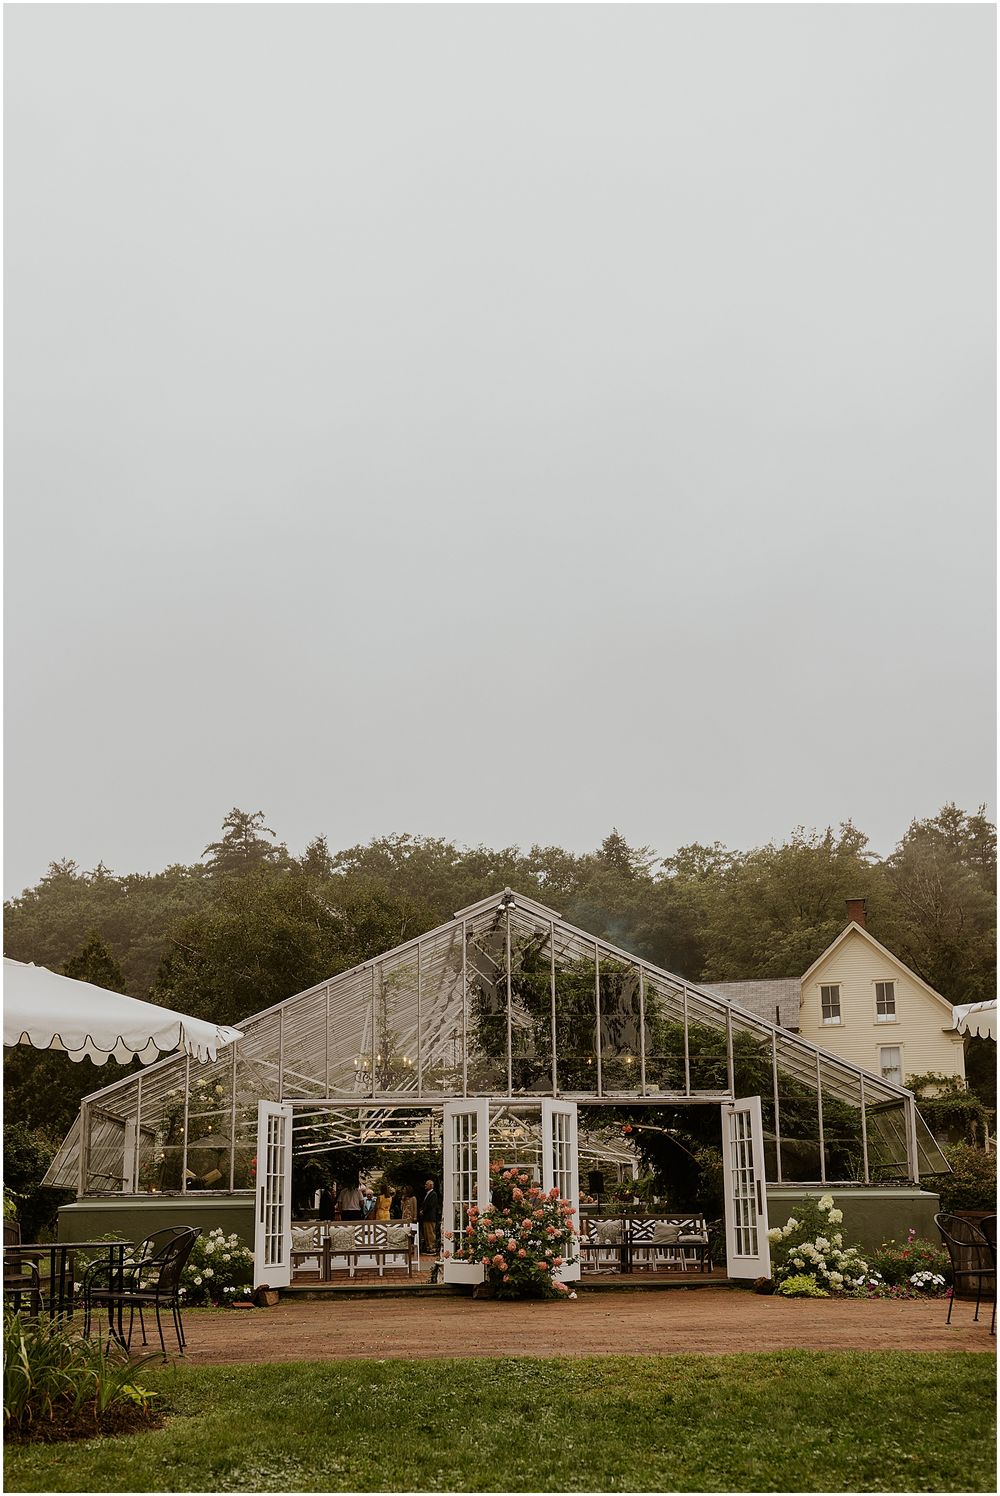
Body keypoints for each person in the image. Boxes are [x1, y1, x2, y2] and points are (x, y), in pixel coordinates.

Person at [420, 1177, 441, 1254]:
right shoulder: (427, 1194)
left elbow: (430, 1205)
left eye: (426, 1184)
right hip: (426, 1217)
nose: (425, 1186)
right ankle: (428, 1248)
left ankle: (432, 1248)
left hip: (430, 1217)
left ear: (431, 1185)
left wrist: (423, 1211)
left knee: (430, 1233)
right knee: (426, 1233)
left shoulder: (433, 1194)